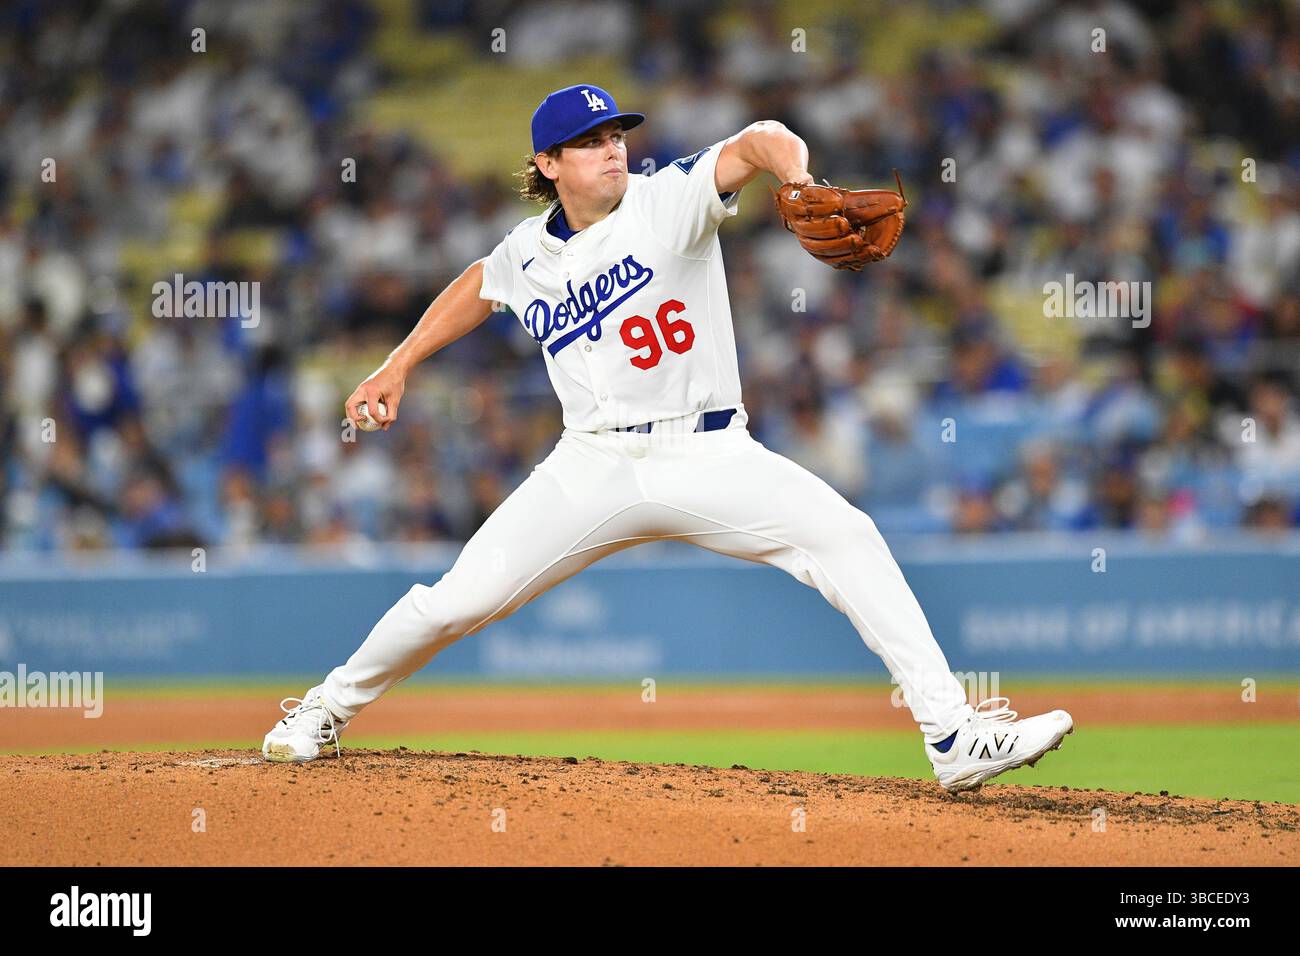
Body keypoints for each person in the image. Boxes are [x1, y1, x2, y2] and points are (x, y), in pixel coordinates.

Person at [262, 84, 1073, 792]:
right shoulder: (526, 253)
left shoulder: (669, 198)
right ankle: (325, 709)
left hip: (709, 452)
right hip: (594, 463)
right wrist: (397, 363)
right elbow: (479, 284)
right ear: (548, 163)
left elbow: (758, 139)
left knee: (848, 536)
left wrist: (797, 178)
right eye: (589, 142)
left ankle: (953, 734)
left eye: (617, 135)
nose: (611, 150)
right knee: (455, 604)